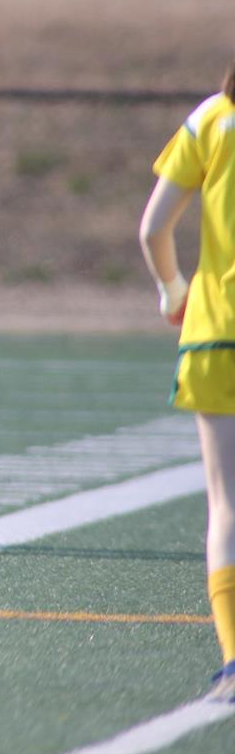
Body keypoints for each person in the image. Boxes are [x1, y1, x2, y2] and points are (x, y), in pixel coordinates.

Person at [138, 58, 235, 703]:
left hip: (216, 333)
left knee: (227, 502)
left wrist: (173, 287)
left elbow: (152, 229)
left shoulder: (212, 119)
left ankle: (234, 660)